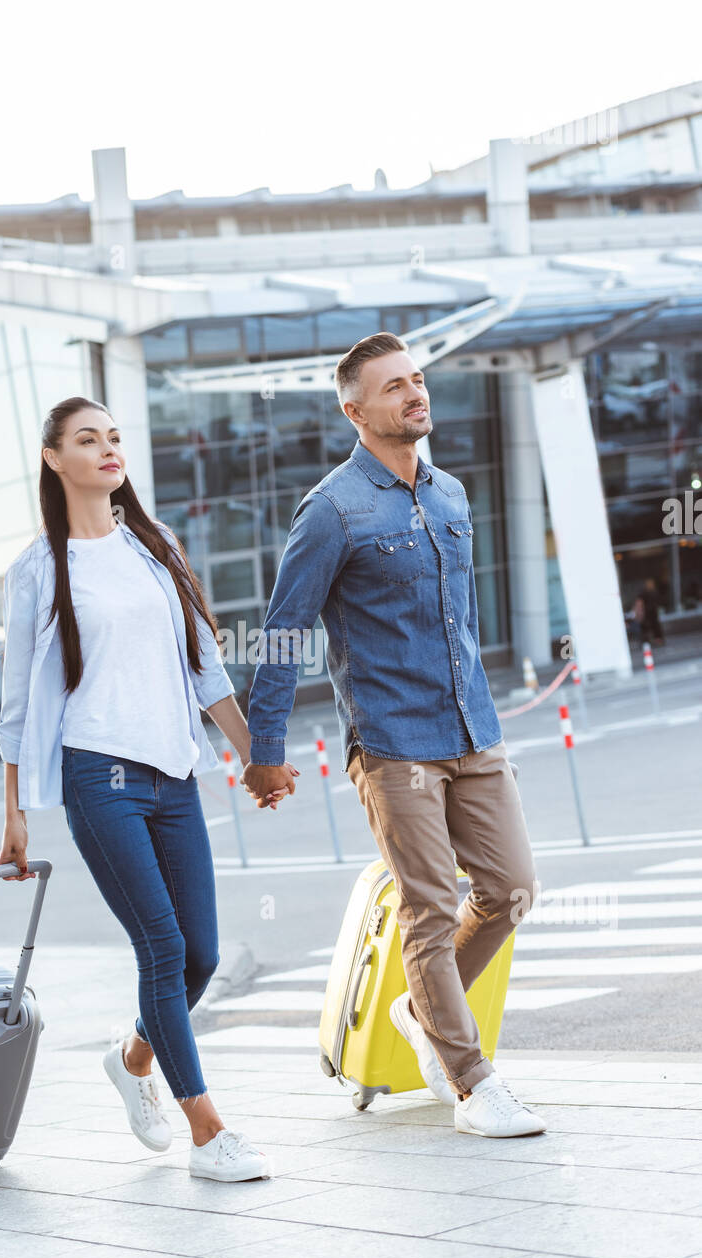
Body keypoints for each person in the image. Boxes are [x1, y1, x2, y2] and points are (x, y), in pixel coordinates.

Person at [241, 333, 546, 1139]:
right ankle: (471, 1081)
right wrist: (263, 750)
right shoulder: (333, 509)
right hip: (392, 743)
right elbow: (283, 631)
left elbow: (462, 623)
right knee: (427, 909)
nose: (415, 394)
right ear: (355, 411)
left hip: (472, 731)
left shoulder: (449, 494)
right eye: (393, 388)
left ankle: (418, 1008)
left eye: (417, 380)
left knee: (511, 890)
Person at [0, 396, 299, 1182]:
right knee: (160, 947)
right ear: (54, 459)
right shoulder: (37, 570)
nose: (106, 450)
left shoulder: (153, 546)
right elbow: (19, 702)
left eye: (114, 438)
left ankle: (132, 1059)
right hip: (100, 776)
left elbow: (204, 668)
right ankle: (209, 1133)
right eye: (86, 439)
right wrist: (16, 815)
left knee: (198, 954)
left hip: (172, 774)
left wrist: (254, 757)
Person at [637, 577, 665, 647]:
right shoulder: (645, 593)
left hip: (652, 612)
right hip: (648, 612)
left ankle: (655, 640)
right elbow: (640, 602)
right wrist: (640, 612)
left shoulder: (653, 592)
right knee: (648, 627)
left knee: (654, 626)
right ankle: (648, 641)